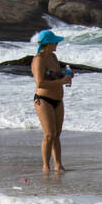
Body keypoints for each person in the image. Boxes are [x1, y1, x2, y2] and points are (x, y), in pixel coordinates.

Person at [31, 29, 73, 172]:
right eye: (55, 42)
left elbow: (56, 76)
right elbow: (40, 83)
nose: (57, 44)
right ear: (48, 43)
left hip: (58, 100)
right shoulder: (39, 60)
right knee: (49, 134)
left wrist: (66, 76)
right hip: (43, 100)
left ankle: (58, 164)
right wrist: (62, 81)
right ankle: (45, 166)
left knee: (57, 133)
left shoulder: (53, 57)